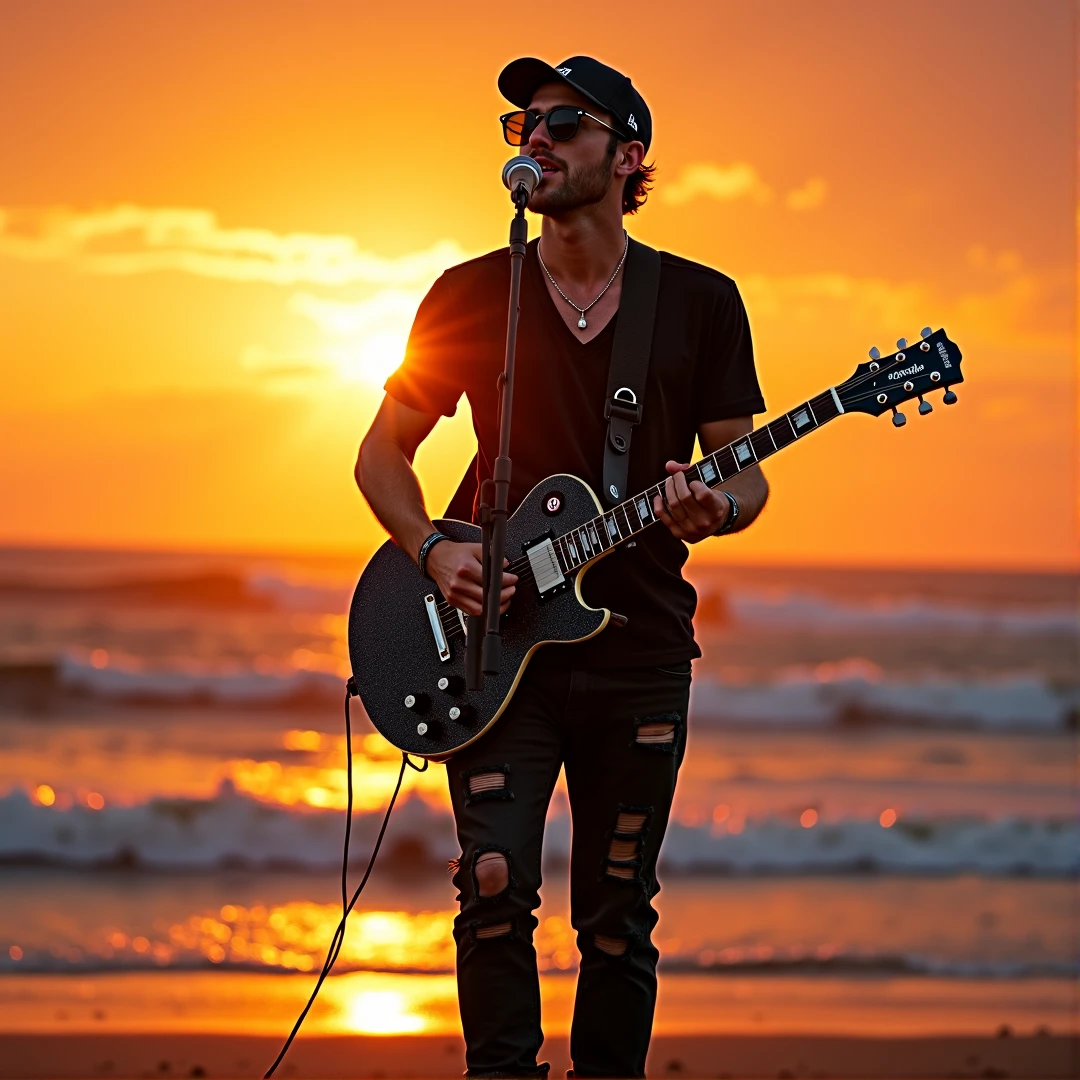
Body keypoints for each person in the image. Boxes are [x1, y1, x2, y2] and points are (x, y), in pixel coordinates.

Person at [355, 55, 768, 1079]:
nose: (534, 138)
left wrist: (713, 506)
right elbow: (379, 457)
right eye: (522, 125)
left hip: (637, 651)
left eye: (563, 124)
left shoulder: (702, 302)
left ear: (628, 157)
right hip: (495, 650)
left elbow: (747, 477)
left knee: (619, 911)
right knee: (492, 884)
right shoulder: (467, 295)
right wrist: (434, 547)